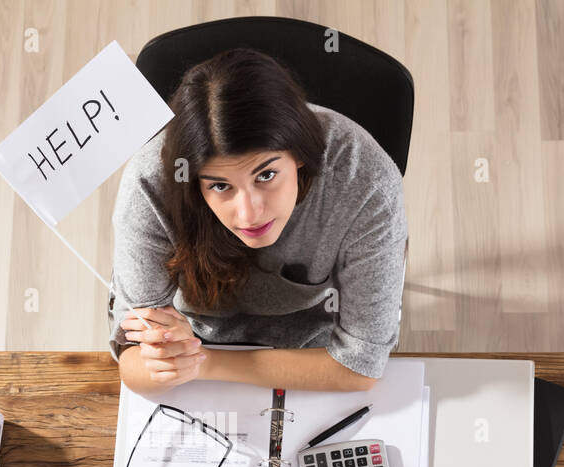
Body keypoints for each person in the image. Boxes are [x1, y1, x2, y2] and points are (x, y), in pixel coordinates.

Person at [107, 47, 407, 393]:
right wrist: (165, 360)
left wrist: (203, 363)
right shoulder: (151, 183)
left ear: (299, 155)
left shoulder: (365, 181)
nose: (249, 213)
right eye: (220, 185)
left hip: (312, 349)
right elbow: (131, 361)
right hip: (189, 339)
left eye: (265, 176)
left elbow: (360, 367)